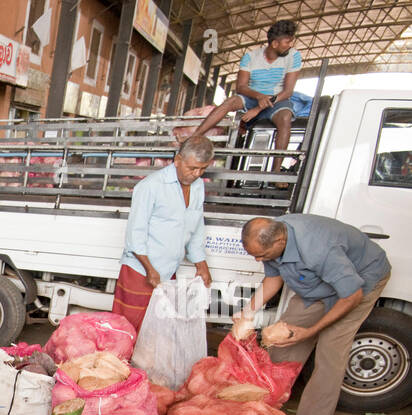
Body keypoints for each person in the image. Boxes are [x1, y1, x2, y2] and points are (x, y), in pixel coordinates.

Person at [232, 215, 391, 415]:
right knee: (280, 343)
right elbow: (273, 279)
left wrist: (309, 332)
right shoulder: (270, 235)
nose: (257, 260)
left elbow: (351, 295)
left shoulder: (318, 249)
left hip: (360, 283)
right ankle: (261, 412)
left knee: (329, 353)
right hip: (317, 285)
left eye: (261, 255)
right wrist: (247, 312)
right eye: (254, 255)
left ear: (280, 241)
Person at [112, 136, 215, 332]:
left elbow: (196, 227)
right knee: (128, 329)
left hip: (168, 272)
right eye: (192, 168)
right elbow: (135, 233)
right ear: (178, 160)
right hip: (141, 271)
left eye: (202, 169)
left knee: (158, 330)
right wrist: (150, 269)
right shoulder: (151, 186)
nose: (196, 174)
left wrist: (201, 264)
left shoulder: (198, 186)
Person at [189, 20, 301, 174]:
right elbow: (241, 87)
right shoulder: (250, 57)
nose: (290, 45)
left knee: (285, 118)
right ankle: (194, 137)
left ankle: (276, 171)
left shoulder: (294, 56)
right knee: (229, 102)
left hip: (278, 100)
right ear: (275, 43)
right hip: (252, 96)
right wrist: (259, 97)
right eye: (287, 42)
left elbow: (287, 91)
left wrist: (258, 108)